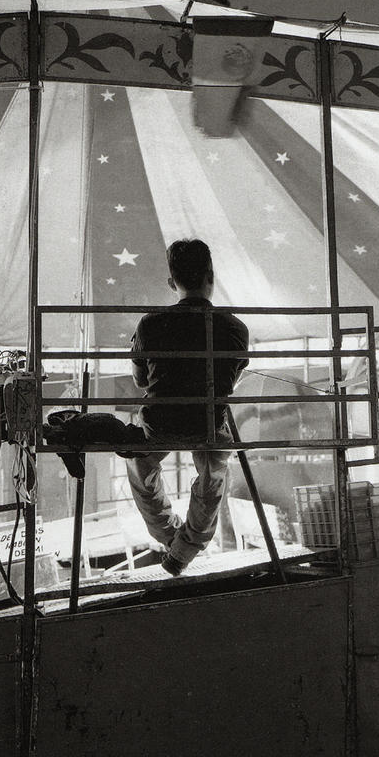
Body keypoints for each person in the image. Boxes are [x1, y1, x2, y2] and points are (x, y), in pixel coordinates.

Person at [126, 239, 249, 576]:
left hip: (160, 423)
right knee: (213, 471)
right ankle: (186, 548)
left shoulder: (150, 324)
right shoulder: (236, 328)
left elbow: (141, 381)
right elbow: (232, 381)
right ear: (211, 276)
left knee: (139, 465)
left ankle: (170, 536)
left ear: (172, 282)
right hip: (207, 422)